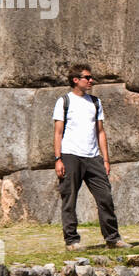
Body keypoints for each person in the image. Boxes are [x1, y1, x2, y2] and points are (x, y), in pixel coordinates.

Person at [53, 64, 129, 250]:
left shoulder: (95, 102)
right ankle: (72, 241)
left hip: (93, 157)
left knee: (105, 198)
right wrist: (58, 159)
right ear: (75, 80)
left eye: (90, 77)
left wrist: (106, 159)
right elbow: (57, 133)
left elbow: (100, 132)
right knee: (69, 199)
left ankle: (112, 238)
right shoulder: (64, 101)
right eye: (87, 77)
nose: (91, 80)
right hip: (70, 155)